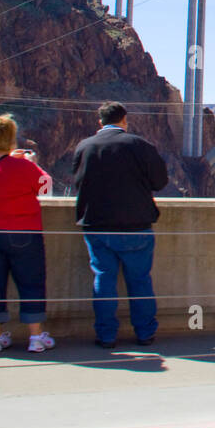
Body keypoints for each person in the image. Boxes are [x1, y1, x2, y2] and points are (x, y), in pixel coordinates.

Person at [72, 102, 169, 348]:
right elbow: (159, 181)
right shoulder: (140, 146)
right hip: (136, 227)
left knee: (103, 280)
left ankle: (106, 336)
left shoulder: (85, 147)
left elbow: (78, 183)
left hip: (97, 227)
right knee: (140, 281)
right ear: (124, 120)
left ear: (100, 122)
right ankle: (145, 333)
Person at [0, 115, 54, 354]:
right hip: (24, 232)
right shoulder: (25, 167)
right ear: (11, 139)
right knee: (31, 282)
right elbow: (45, 190)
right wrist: (35, 163)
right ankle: (36, 337)